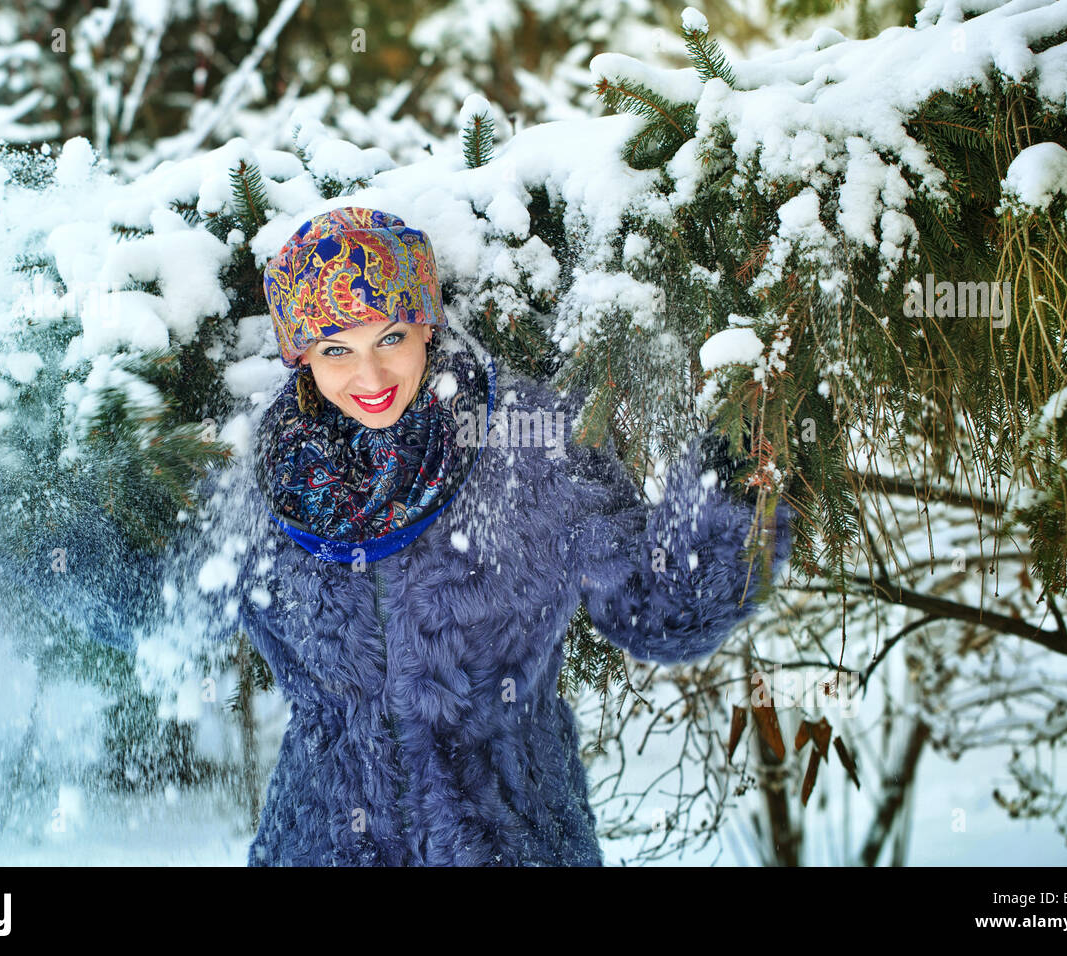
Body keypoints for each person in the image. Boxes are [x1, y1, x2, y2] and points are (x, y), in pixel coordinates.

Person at [210, 205, 793, 866]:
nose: (369, 378)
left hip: (514, 838)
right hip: (320, 842)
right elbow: (151, 611)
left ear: (427, 328)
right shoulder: (259, 475)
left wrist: (735, 484)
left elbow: (658, 611)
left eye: (390, 338)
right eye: (336, 349)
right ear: (301, 355)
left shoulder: (531, 441)